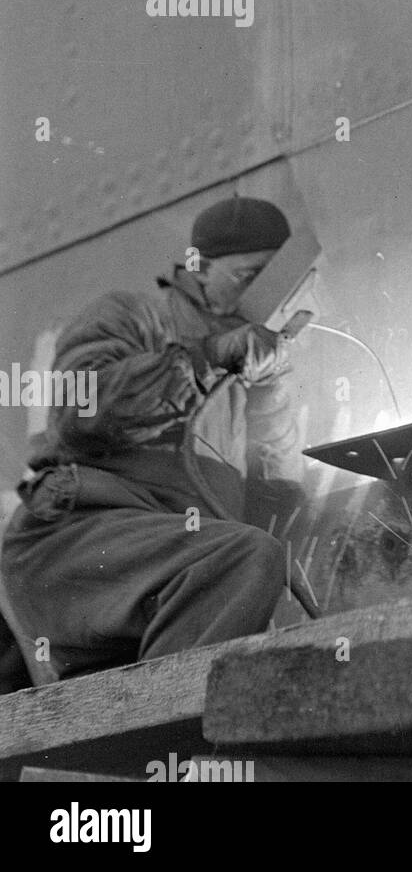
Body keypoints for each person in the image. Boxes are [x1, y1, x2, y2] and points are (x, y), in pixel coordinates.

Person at [0, 196, 309, 678]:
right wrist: (202, 361)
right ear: (199, 268)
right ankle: (171, 738)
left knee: (256, 565)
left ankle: (170, 741)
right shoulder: (130, 315)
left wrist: (271, 388)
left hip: (167, 575)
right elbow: (82, 410)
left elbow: (274, 498)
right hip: (78, 539)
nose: (257, 295)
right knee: (243, 556)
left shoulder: (246, 369)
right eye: (246, 276)